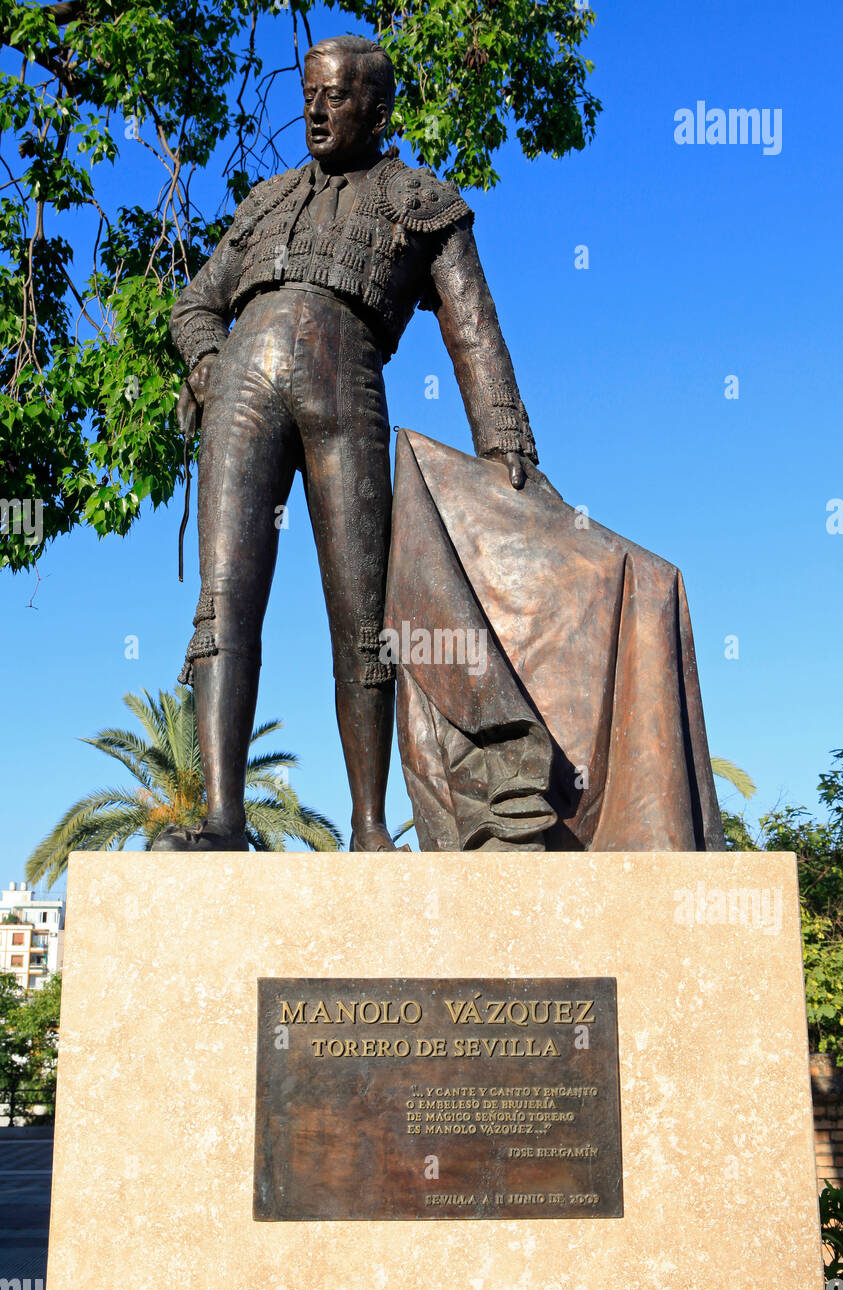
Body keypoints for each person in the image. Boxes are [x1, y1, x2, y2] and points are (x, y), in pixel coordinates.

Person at [154, 34, 538, 852]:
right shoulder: (265, 199)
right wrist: (210, 366)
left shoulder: (421, 199)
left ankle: (369, 827)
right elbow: (193, 304)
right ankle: (224, 820)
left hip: (345, 386)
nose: (316, 109)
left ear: (378, 108)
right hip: (242, 393)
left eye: (335, 96)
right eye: (310, 93)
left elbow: (473, 334)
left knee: (363, 614)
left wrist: (506, 442)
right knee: (224, 604)